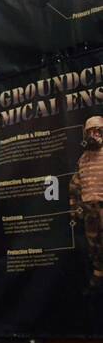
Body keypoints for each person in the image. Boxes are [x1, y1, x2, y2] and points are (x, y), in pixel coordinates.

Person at [71, 114, 103, 292]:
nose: (93, 135)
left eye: (97, 130)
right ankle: (99, 272)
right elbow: (75, 184)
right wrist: (74, 208)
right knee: (94, 242)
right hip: (89, 207)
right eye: (90, 131)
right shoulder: (83, 159)